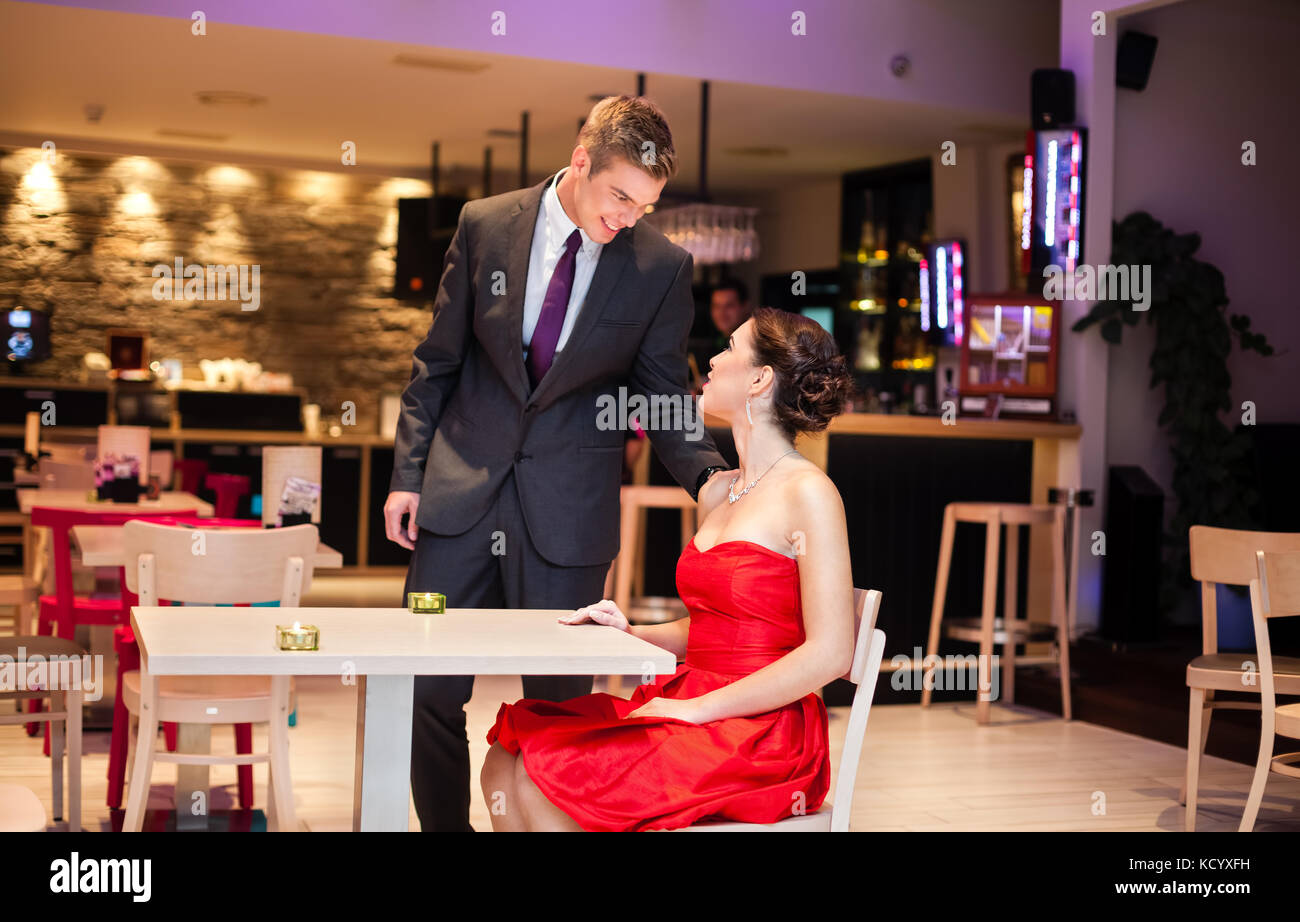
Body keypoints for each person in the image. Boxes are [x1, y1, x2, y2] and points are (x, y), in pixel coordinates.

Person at [384, 95, 733, 832]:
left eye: (646, 204)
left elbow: (662, 392)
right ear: (581, 160)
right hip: (457, 500)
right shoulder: (484, 225)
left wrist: (709, 479)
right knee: (425, 691)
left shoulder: (659, 267)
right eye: (619, 196)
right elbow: (436, 363)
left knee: (562, 710)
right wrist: (408, 474)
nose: (630, 216)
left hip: (569, 515)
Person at [480, 307, 857, 831]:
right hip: (696, 698)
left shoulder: (809, 493)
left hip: (762, 729)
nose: (713, 359)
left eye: (728, 348)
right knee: (507, 757)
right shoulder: (721, 491)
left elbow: (831, 653)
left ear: (759, 379)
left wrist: (699, 711)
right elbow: (713, 628)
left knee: (544, 782)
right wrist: (632, 633)